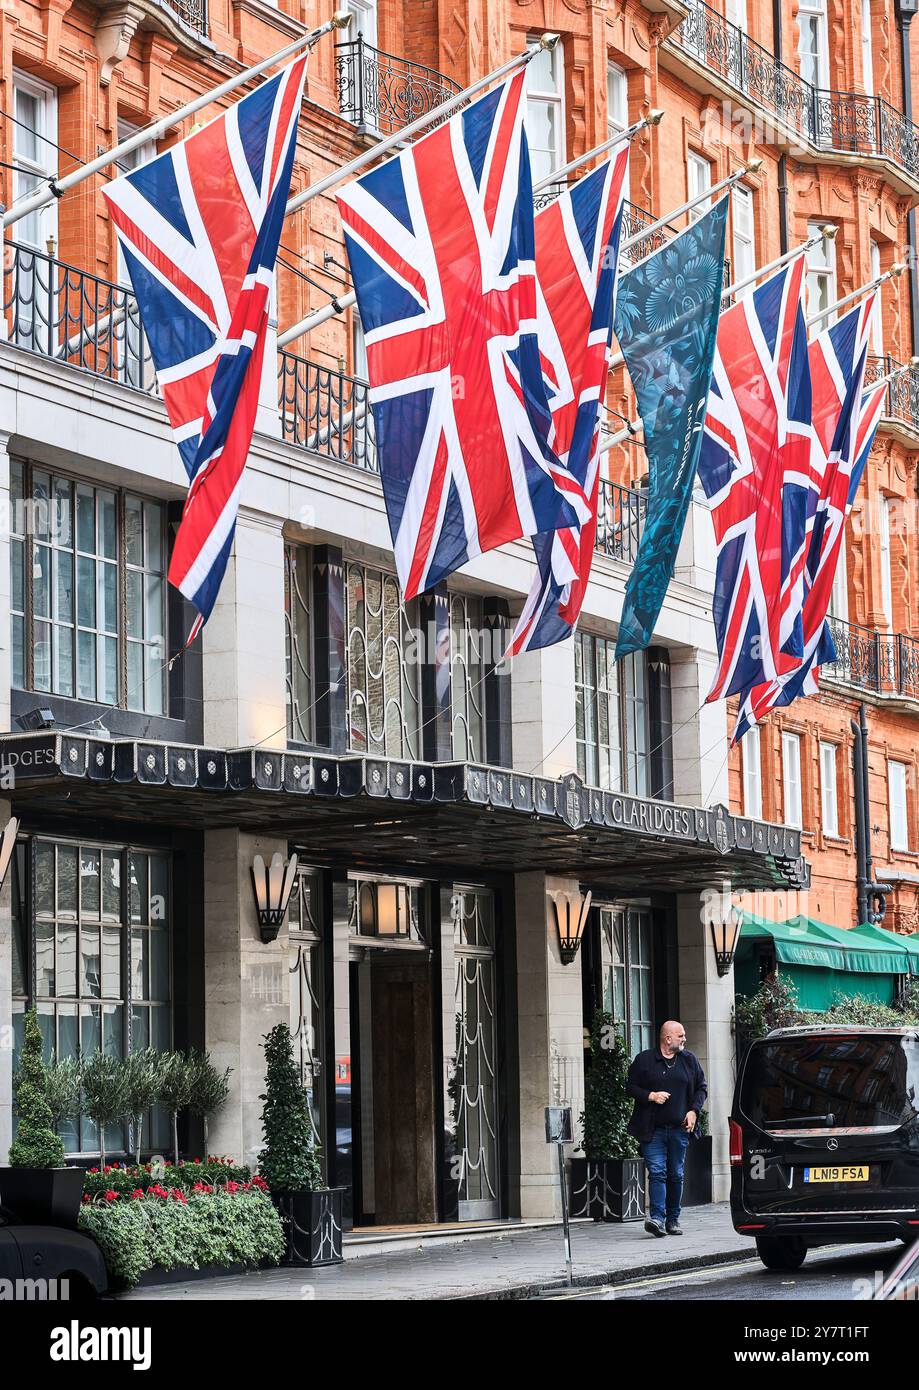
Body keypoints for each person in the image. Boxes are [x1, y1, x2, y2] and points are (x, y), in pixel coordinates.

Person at [626, 1020, 707, 1237]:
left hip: (680, 1129)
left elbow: (701, 1088)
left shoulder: (689, 1060)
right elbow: (630, 1086)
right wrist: (650, 1096)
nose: (684, 1039)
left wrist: (693, 1111)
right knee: (657, 1172)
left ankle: (673, 1219)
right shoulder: (645, 1060)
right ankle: (658, 1219)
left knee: (676, 1175)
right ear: (667, 1038)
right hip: (653, 1130)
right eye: (680, 1035)